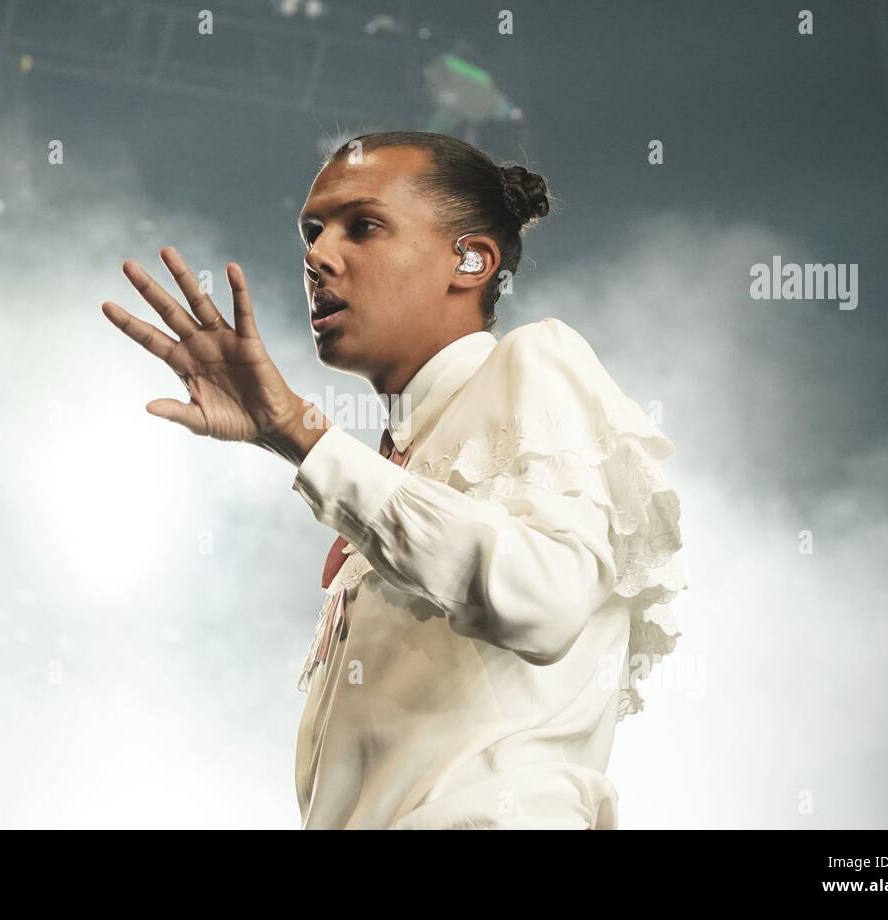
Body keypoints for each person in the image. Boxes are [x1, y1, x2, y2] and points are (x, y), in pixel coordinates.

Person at [101, 131, 686, 830]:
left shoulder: (535, 361)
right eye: (311, 233)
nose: (316, 257)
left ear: (470, 259)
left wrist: (302, 434)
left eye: (364, 226)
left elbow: (546, 596)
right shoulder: (392, 462)